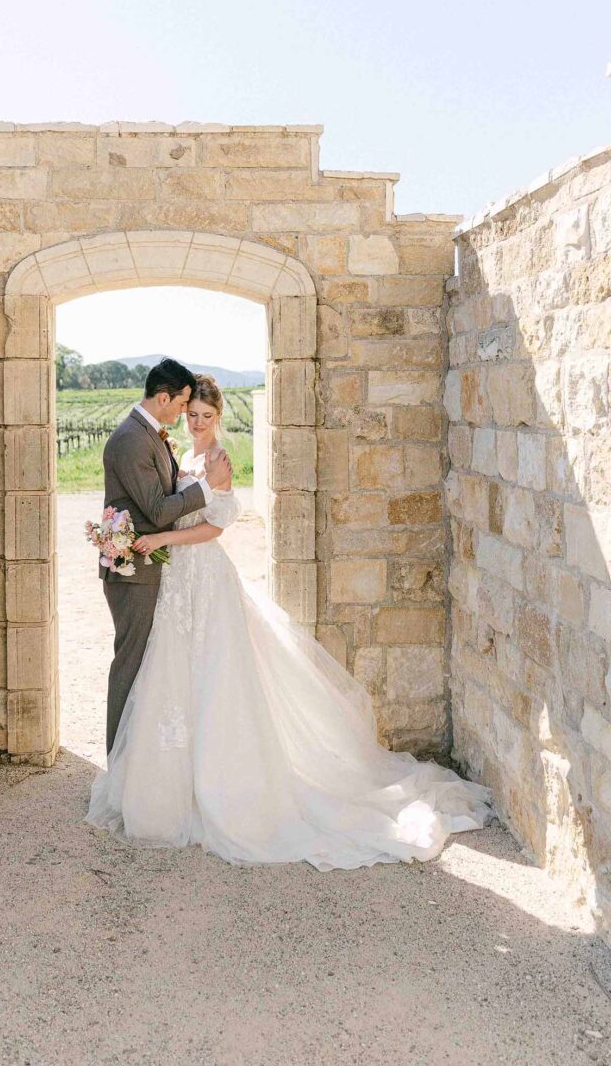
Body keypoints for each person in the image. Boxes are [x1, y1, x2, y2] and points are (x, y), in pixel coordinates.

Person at [87, 374, 493, 870]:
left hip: (203, 575)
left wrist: (162, 540)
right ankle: (165, 782)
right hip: (175, 585)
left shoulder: (217, 461)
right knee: (169, 673)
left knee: (215, 675)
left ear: (219, 418)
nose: (196, 422)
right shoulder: (176, 454)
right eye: (192, 414)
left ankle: (222, 786)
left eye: (206, 416)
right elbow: (160, 505)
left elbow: (213, 525)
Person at [98, 358, 232, 754]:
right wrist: (207, 488)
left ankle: (140, 761)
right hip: (135, 569)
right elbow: (157, 510)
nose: (186, 417)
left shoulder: (150, 435)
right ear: (164, 397)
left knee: (155, 670)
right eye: (183, 407)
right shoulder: (131, 439)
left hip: (165, 568)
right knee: (132, 667)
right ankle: (121, 764)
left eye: (201, 413)